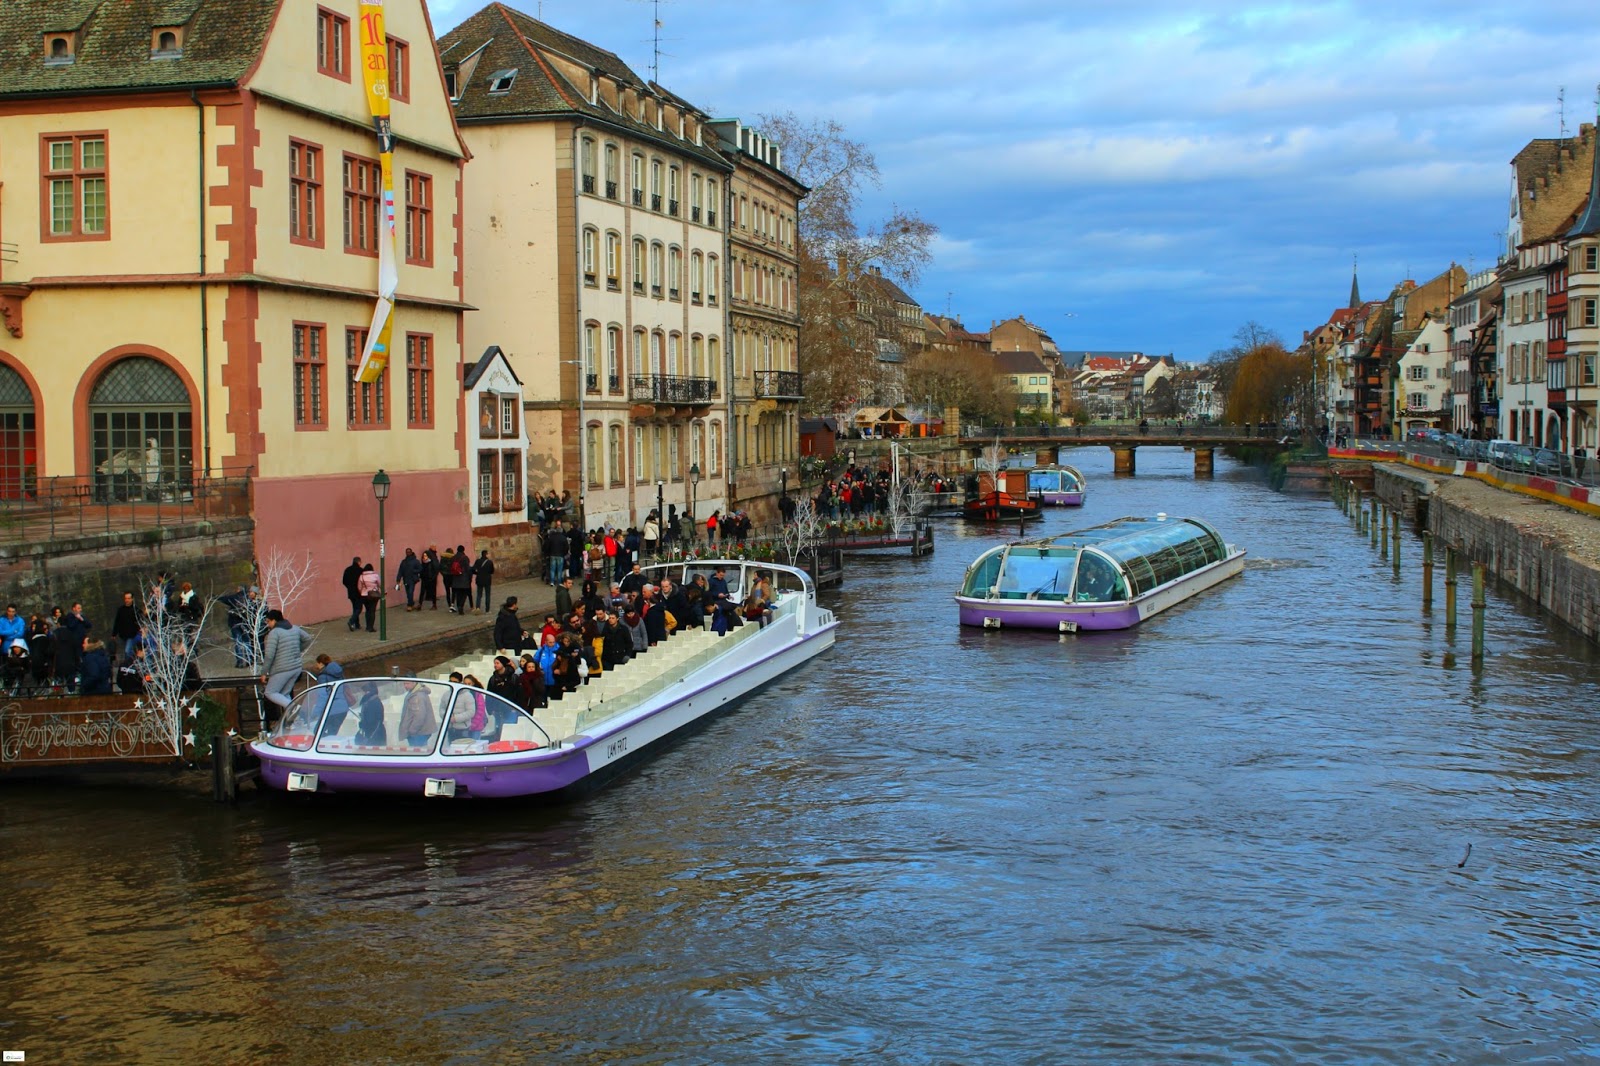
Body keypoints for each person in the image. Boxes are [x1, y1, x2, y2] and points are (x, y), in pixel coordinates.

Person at [259, 609, 313, 716]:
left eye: (268, 621)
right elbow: (308, 639)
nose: (268, 624)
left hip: (281, 669)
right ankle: (295, 720)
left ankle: (295, 709)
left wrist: (264, 672)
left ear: (274, 620)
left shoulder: (274, 633)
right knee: (285, 694)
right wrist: (298, 649)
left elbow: (269, 655)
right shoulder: (295, 628)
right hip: (296, 667)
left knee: (270, 692)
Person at [399, 680, 438, 748]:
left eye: (407, 683)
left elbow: (420, 716)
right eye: (404, 683)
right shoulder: (413, 693)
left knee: (417, 751)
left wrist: (412, 730)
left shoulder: (417, 696)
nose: (405, 686)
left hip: (418, 732)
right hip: (419, 732)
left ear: (414, 683)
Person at [354, 682, 387, 746]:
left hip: (374, 735)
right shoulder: (372, 701)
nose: (364, 694)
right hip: (376, 733)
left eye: (365, 691)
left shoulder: (372, 702)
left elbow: (371, 720)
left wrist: (362, 723)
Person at [342, 556, 365, 631]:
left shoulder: (347, 570)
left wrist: (349, 587)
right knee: (359, 608)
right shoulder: (361, 570)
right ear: (358, 562)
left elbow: (344, 581)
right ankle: (351, 621)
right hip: (358, 592)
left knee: (355, 608)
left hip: (351, 592)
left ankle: (357, 625)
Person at [356, 563, 382, 632]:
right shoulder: (375, 575)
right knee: (372, 611)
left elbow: (359, 587)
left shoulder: (361, 576)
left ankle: (367, 626)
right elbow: (380, 584)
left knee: (367, 610)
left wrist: (362, 592)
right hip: (374, 595)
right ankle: (370, 627)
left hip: (364, 595)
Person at [448, 544, 472, 614]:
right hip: (464, 578)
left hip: (455, 578)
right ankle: (461, 606)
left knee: (458, 593)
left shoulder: (453, 558)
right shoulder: (465, 558)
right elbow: (467, 569)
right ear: (463, 550)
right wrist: (469, 578)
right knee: (464, 593)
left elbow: (450, 567)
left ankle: (458, 606)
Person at [544, 521, 569, 586]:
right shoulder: (563, 538)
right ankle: (559, 582)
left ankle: (552, 582)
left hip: (552, 554)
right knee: (559, 569)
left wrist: (548, 553)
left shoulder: (551, 537)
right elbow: (566, 547)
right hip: (560, 555)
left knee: (552, 569)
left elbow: (548, 546)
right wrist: (564, 553)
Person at [473, 549, 496, 613]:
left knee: (479, 595)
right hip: (487, 580)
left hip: (479, 579)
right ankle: (487, 610)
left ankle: (478, 607)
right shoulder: (489, 562)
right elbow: (492, 571)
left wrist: (477, 573)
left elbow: (473, 569)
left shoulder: (477, 561)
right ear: (486, 554)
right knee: (487, 595)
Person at [420, 546, 441, 610]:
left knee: (433, 591)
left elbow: (436, 569)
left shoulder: (432, 562)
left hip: (432, 578)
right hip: (425, 578)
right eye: (424, 556)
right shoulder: (423, 563)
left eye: (425, 556)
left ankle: (434, 605)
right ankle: (420, 604)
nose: (424, 557)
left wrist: (433, 577)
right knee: (422, 591)